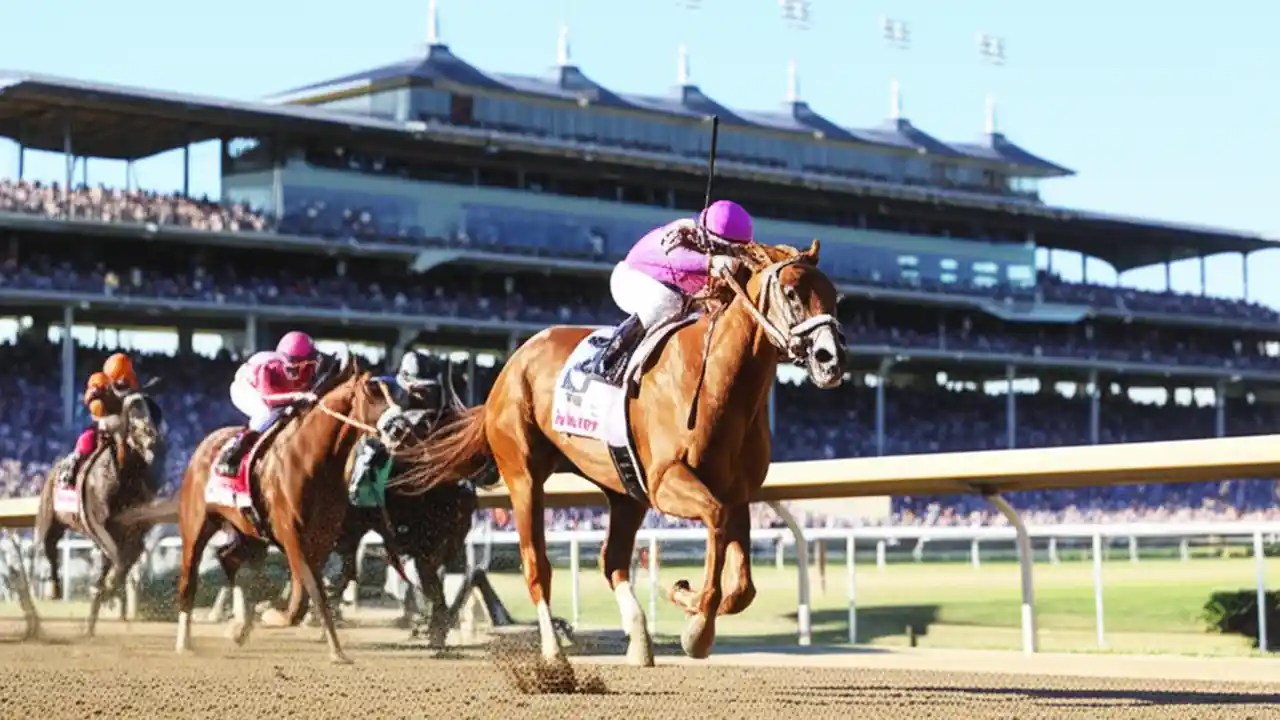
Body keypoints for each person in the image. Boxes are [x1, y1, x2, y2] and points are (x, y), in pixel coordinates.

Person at [579, 199, 754, 385]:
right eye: (726, 248)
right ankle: (605, 362)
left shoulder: (711, 241)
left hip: (675, 290)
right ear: (709, 237)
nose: (730, 255)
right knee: (665, 303)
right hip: (631, 279)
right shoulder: (679, 234)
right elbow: (676, 258)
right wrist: (710, 263)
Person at [212, 332, 324, 501]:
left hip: (278, 393)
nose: (305, 371)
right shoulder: (269, 368)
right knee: (268, 414)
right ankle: (233, 454)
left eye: (309, 365)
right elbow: (269, 400)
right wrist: (296, 396)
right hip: (247, 389)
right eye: (297, 366)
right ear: (286, 362)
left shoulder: (306, 365)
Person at [348, 350, 454, 506]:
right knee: (370, 449)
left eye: (429, 391)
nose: (427, 396)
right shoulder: (383, 392)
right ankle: (361, 491)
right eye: (420, 391)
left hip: (424, 471)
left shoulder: (435, 416)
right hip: (391, 466)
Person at [55, 371, 116, 489]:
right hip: (95, 429)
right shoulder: (89, 398)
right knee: (85, 442)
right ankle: (70, 474)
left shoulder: (112, 399)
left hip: (108, 430)